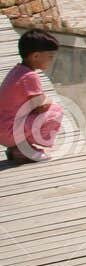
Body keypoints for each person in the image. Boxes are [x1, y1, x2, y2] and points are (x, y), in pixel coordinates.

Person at [0, 30, 64, 165]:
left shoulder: (17, 70)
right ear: (35, 56)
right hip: (9, 132)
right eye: (50, 56)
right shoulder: (30, 76)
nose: (52, 60)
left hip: (4, 129)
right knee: (55, 111)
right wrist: (48, 100)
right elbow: (41, 106)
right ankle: (24, 149)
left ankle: (16, 148)